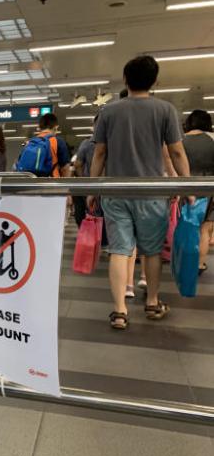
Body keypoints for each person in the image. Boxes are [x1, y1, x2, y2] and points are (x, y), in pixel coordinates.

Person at [90, 55, 192, 330]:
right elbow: (176, 151)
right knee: (152, 252)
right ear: (155, 81)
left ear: (125, 79)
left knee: (120, 251)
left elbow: (100, 151)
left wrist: (91, 187)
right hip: (151, 192)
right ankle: (152, 302)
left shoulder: (109, 112)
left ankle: (120, 311)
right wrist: (188, 185)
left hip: (116, 191)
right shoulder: (165, 110)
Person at [182, 110, 214, 274]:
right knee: (205, 228)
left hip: (185, 188)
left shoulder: (181, 140)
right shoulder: (212, 139)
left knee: (188, 226)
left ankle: (186, 260)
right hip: (209, 188)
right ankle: (199, 264)